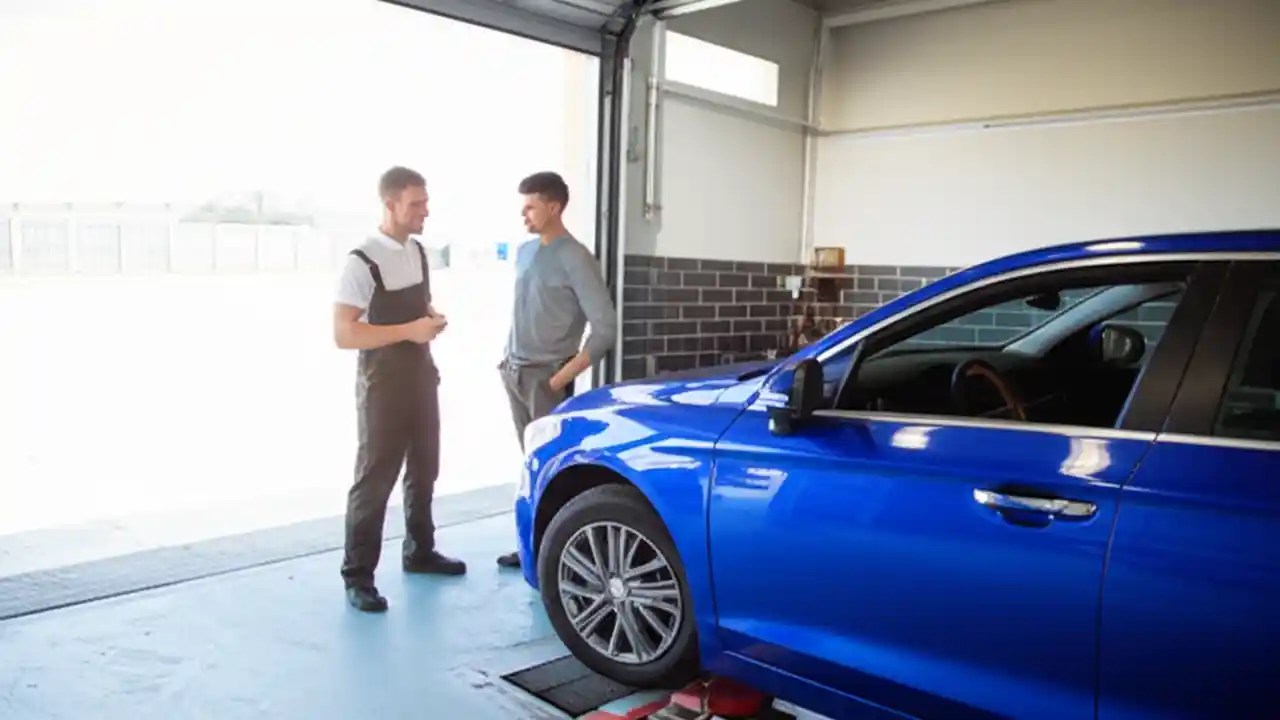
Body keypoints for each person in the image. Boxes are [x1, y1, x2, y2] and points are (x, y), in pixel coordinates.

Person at [333, 166, 466, 613]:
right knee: (375, 481)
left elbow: (417, 307)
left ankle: (420, 551)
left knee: (425, 469)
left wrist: (431, 318)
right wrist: (412, 329)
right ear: (389, 204)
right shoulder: (362, 260)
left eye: (426, 202)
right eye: (416, 204)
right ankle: (358, 577)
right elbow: (344, 334)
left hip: (420, 378)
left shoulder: (418, 251)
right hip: (383, 386)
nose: (425, 211)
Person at [496, 171, 617, 570]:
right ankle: (532, 546)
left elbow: (605, 330)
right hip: (514, 373)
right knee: (530, 466)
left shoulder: (576, 258)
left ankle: (560, 555)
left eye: (530, 206)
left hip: (546, 379)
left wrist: (560, 379)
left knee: (553, 470)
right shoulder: (525, 252)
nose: (524, 215)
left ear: (554, 207)